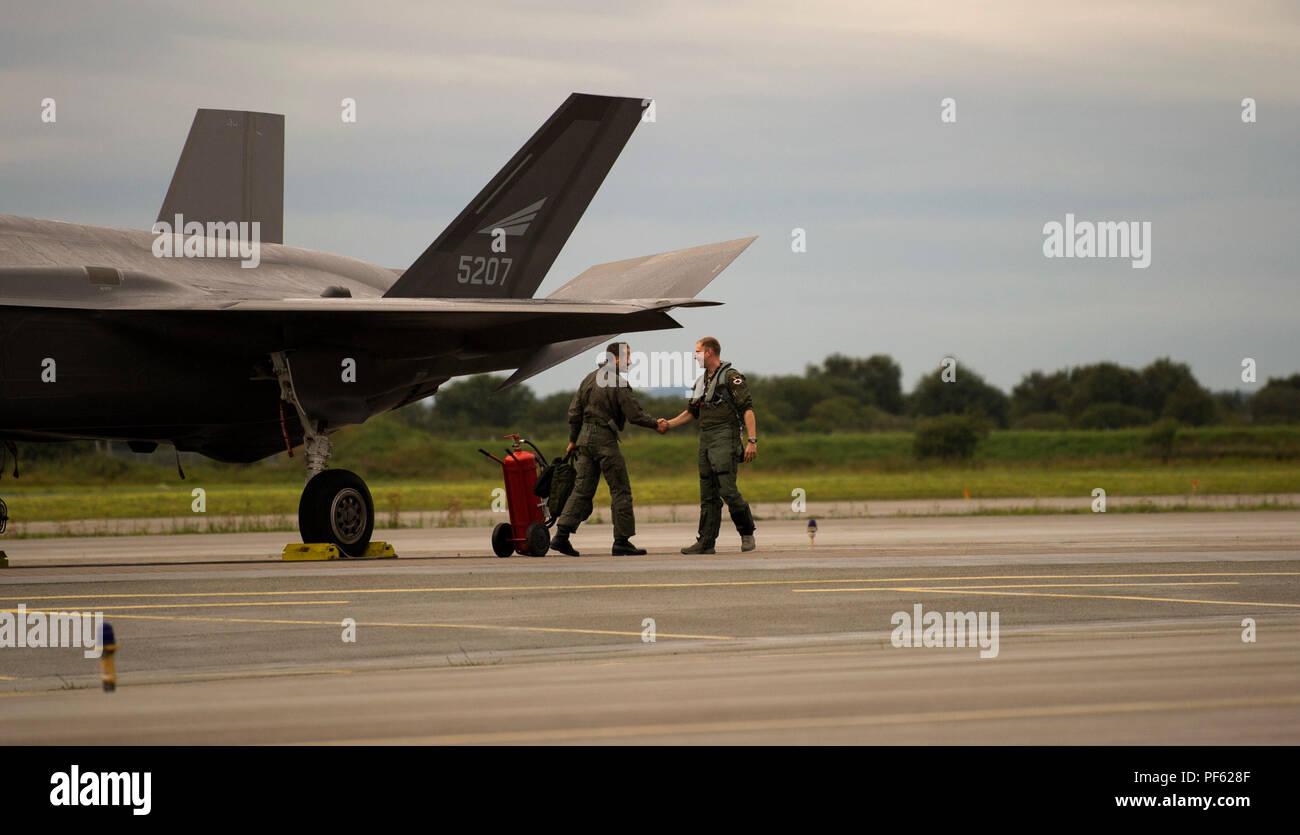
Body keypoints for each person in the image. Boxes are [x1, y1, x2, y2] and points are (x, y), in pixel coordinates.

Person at [551, 342, 661, 556]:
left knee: (581, 489)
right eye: (627, 357)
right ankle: (622, 541)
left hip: (584, 439)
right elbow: (634, 415)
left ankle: (560, 536)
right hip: (605, 441)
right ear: (616, 359)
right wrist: (657, 424)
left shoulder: (589, 378)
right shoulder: (618, 382)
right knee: (620, 489)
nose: (630, 361)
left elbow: (574, 413)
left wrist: (573, 440)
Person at [660, 336, 757, 553]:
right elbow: (692, 413)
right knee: (708, 493)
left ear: (709, 352)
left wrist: (752, 441)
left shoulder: (732, 377)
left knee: (728, 490)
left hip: (726, 436)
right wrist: (668, 424)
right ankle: (706, 542)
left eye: (697, 351)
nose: (695, 356)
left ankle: (747, 533)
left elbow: (747, 409)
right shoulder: (701, 381)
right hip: (706, 438)